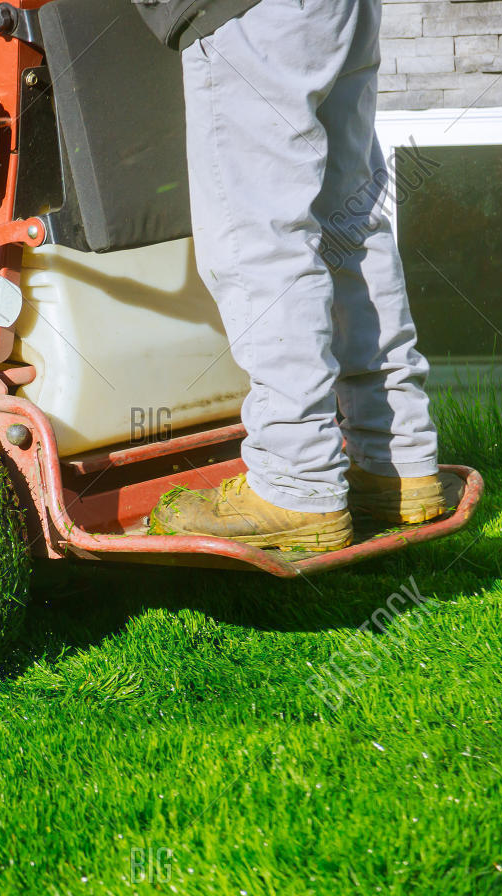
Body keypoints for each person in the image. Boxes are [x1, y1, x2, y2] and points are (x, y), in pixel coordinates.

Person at [136, 0, 445, 551]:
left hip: (243, 14)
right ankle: (393, 456)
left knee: (259, 240)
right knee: (349, 222)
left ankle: (296, 480)